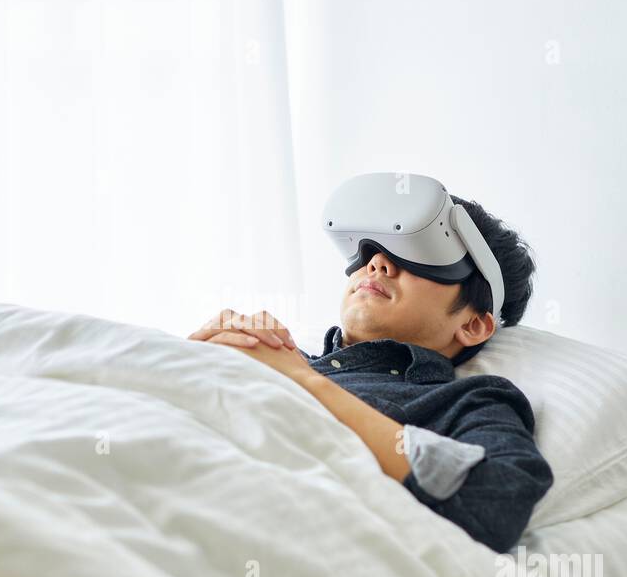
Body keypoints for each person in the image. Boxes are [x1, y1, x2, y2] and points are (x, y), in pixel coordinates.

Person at [187, 195, 550, 553]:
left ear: (472, 324)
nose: (378, 262)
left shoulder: (468, 401)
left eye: (420, 255)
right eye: (371, 249)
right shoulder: (271, 351)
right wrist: (194, 356)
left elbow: (496, 503)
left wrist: (302, 381)